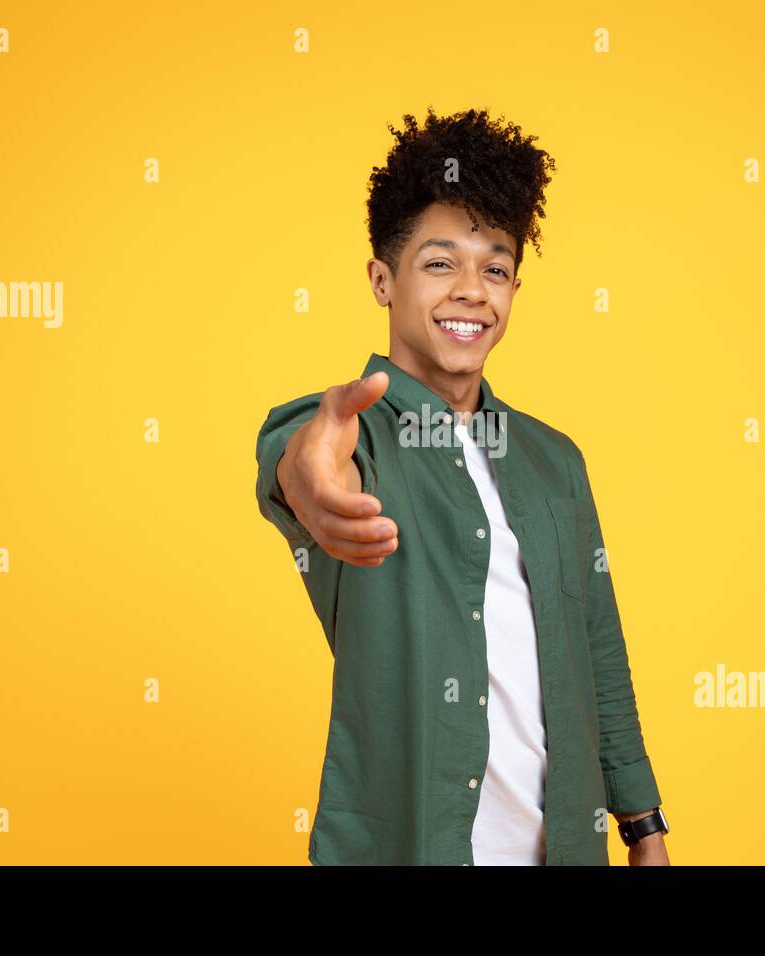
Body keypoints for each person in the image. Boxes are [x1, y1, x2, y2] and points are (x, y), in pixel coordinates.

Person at [255, 107, 669, 865]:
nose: (474, 291)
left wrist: (642, 823)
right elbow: (299, 460)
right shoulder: (357, 434)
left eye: (497, 268)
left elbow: (598, 649)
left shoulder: (555, 461)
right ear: (383, 279)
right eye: (441, 263)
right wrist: (309, 477)